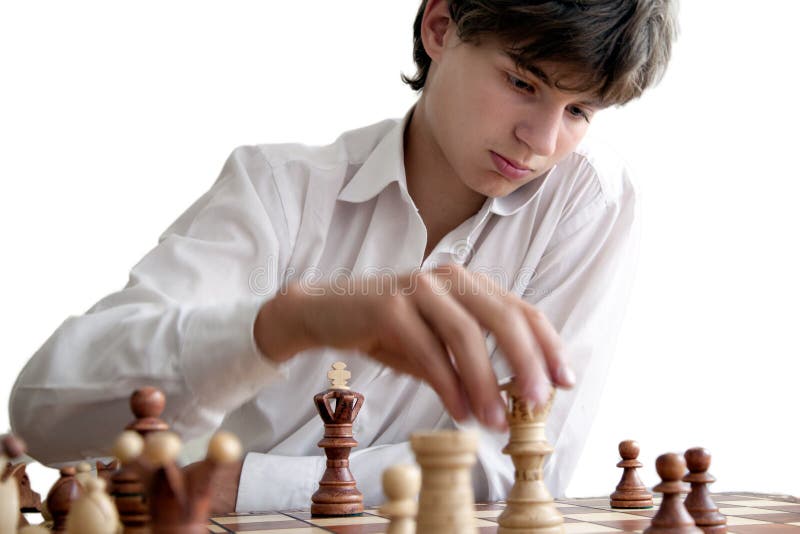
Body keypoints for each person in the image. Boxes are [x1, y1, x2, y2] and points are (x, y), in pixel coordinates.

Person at [10, 0, 677, 512]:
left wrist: (242, 482)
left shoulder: (591, 202)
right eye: (522, 82)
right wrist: (287, 323)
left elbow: (520, 472)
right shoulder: (278, 189)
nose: (541, 139)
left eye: (580, 111)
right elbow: (45, 416)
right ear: (440, 26)